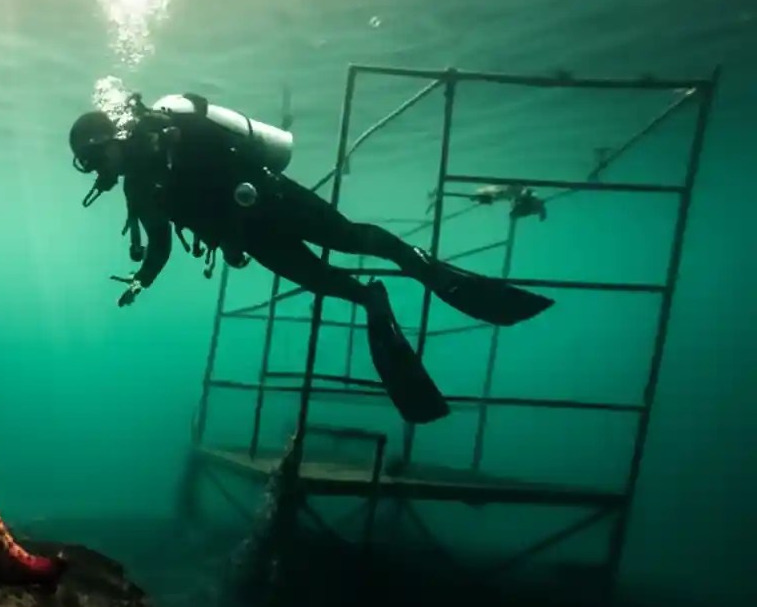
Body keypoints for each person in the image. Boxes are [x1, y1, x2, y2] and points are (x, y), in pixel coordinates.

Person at [67, 91, 555, 424]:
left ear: (111, 140)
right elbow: (160, 243)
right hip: (256, 241)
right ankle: (373, 300)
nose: (97, 172)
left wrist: (223, 193)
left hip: (273, 201)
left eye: (95, 159)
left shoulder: (172, 133)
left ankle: (423, 268)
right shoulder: (139, 187)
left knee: (349, 237)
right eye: (90, 167)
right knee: (323, 281)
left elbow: (231, 154)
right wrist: (141, 280)